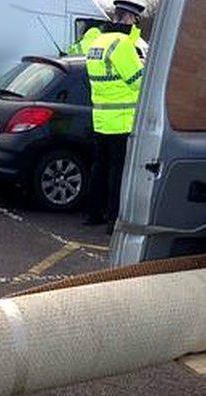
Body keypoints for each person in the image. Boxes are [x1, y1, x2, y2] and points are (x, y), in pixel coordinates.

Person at [83, 0, 146, 228]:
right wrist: (142, 65)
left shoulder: (98, 42)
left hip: (100, 119)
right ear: (130, 18)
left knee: (99, 168)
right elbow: (137, 81)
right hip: (122, 121)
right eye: (135, 20)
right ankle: (113, 220)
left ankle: (92, 215)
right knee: (117, 173)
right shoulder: (121, 45)